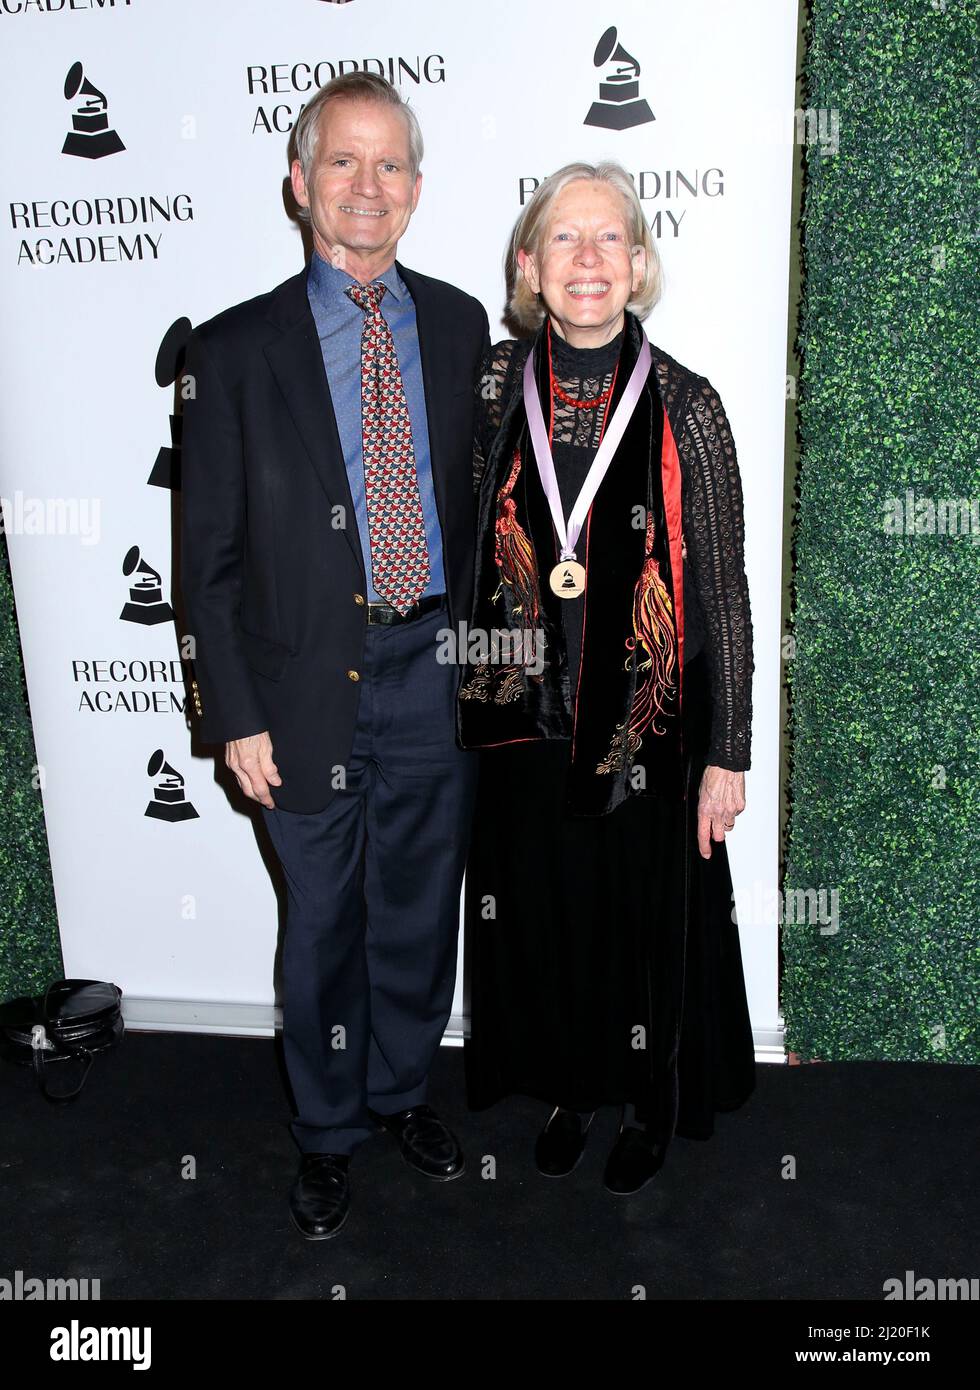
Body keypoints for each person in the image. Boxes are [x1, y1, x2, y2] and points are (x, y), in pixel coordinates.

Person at [180, 73, 489, 1239]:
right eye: (343, 164)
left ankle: (400, 1090)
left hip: (431, 670)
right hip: (298, 687)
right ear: (299, 182)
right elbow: (203, 559)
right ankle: (323, 1130)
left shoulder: (461, 326)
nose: (368, 187)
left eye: (391, 164)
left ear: (415, 186)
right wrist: (231, 714)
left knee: (417, 907)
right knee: (320, 921)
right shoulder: (231, 350)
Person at [457, 161, 755, 1194]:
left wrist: (728, 753)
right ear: (528, 265)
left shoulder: (686, 402)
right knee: (549, 912)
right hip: (523, 718)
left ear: (637, 263)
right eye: (564, 239)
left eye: (608, 238)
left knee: (642, 922)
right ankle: (572, 1085)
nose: (587, 259)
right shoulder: (491, 385)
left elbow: (722, 592)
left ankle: (649, 1103)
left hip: (648, 724)